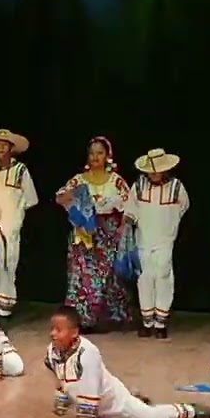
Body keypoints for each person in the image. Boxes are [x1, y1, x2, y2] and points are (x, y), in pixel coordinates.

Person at [45, 305, 210, 418]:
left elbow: (91, 390)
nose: (53, 334)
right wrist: (62, 398)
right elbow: (61, 377)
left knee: (152, 417)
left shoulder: (87, 353)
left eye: (58, 330)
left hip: (114, 405)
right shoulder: (52, 351)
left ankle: (189, 410)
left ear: (74, 332)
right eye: (52, 329)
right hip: (98, 409)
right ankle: (137, 399)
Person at [55, 136, 130, 331]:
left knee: (108, 277)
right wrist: (73, 197)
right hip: (84, 236)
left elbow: (128, 207)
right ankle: (82, 319)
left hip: (107, 236)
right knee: (81, 276)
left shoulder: (116, 181)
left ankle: (108, 318)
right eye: (92, 153)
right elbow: (60, 198)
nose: (95, 157)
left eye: (100, 153)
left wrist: (121, 231)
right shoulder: (78, 180)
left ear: (107, 156)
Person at [124, 148, 190, 337]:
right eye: (150, 170)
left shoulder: (176, 187)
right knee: (145, 277)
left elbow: (183, 206)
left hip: (165, 239)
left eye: (157, 169)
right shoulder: (138, 186)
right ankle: (147, 321)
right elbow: (131, 209)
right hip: (143, 239)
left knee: (162, 275)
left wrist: (170, 225)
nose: (153, 173)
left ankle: (161, 322)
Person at [0, 129, 38, 318]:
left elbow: (31, 199)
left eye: (5, 144)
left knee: (7, 265)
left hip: (9, 228)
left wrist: (15, 215)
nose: (1, 147)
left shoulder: (20, 171)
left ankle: (5, 309)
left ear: (12, 148)